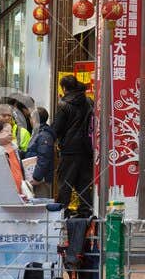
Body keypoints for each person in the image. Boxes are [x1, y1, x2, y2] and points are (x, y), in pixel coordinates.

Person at [52, 75, 95, 216]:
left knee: (66, 181)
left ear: (64, 88)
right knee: (83, 181)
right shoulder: (89, 101)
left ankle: (62, 212)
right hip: (87, 148)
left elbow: (57, 128)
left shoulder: (64, 104)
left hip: (70, 149)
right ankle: (85, 212)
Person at [25, 107, 56, 199]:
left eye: (31, 118)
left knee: (41, 204)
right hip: (36, 177)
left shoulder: (44, 135)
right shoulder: (38, 133)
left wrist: (37, 177)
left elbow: (44, 158)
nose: (30, 120)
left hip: (41, 180)